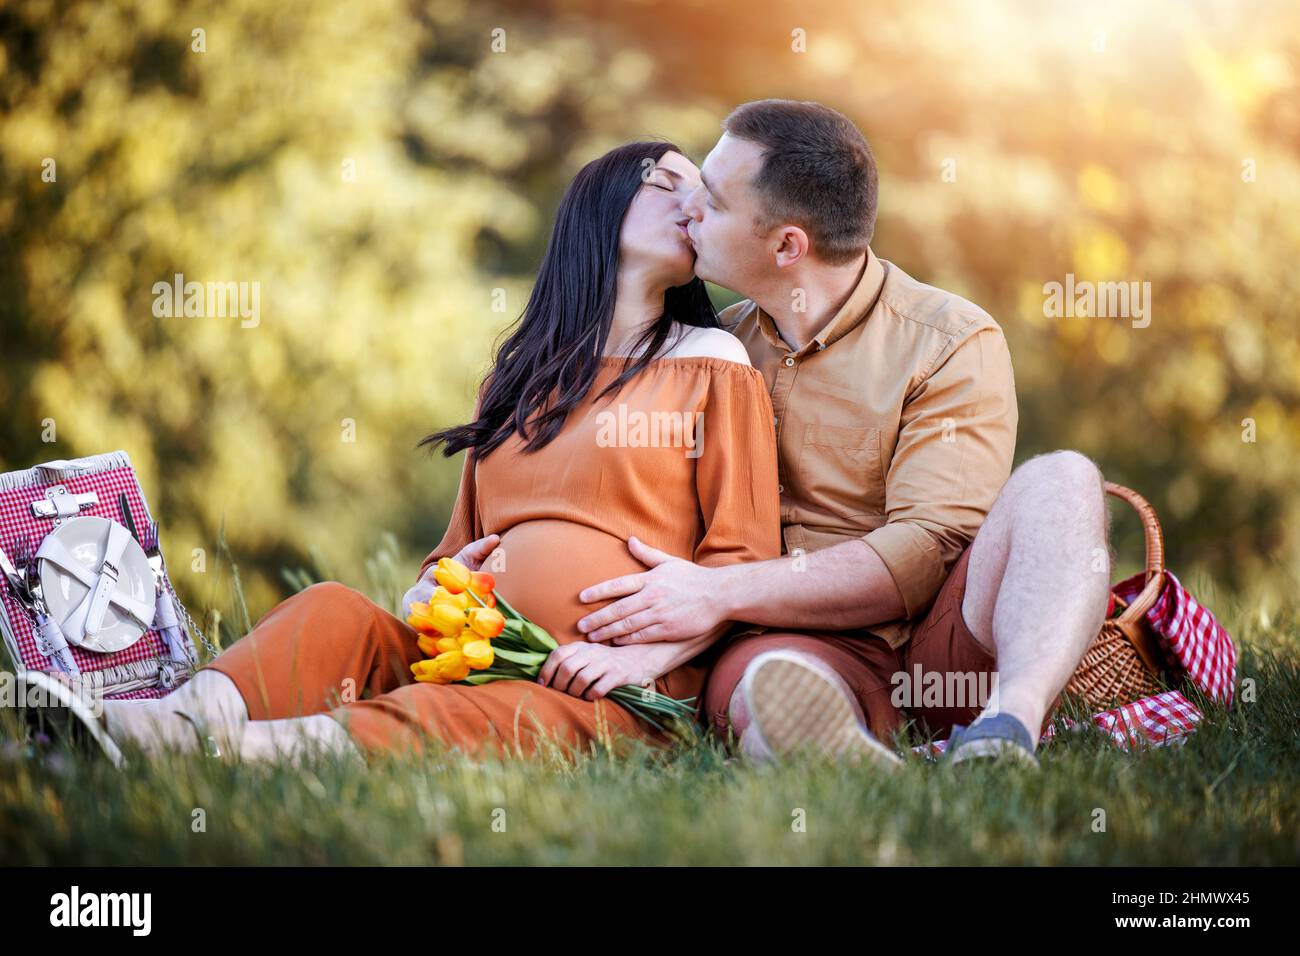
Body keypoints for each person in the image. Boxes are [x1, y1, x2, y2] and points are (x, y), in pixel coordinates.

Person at [68, 140, 782, 765]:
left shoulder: (712, 362)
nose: (693, 204)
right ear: (597, 208)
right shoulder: (515, 381)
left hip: (610, 693)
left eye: (705, 194)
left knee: (457, 717)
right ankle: (183, 720)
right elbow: (455, 555)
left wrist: (638, 659)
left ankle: (244, 754)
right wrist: (425, 593)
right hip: (464, 658)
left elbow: (745, 564)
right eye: (667, 181)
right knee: (332, 610)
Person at [574, 100, 1112, 769]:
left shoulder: (948, 340)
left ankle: (1007, 728)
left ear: (787, 245)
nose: (689, 211)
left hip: (944, 641)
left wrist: (717, 593)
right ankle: (853, 758)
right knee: (765, 689)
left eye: (711, 200)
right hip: (789, 643)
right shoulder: (712, 348)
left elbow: (926, 551)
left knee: (1063, 478)